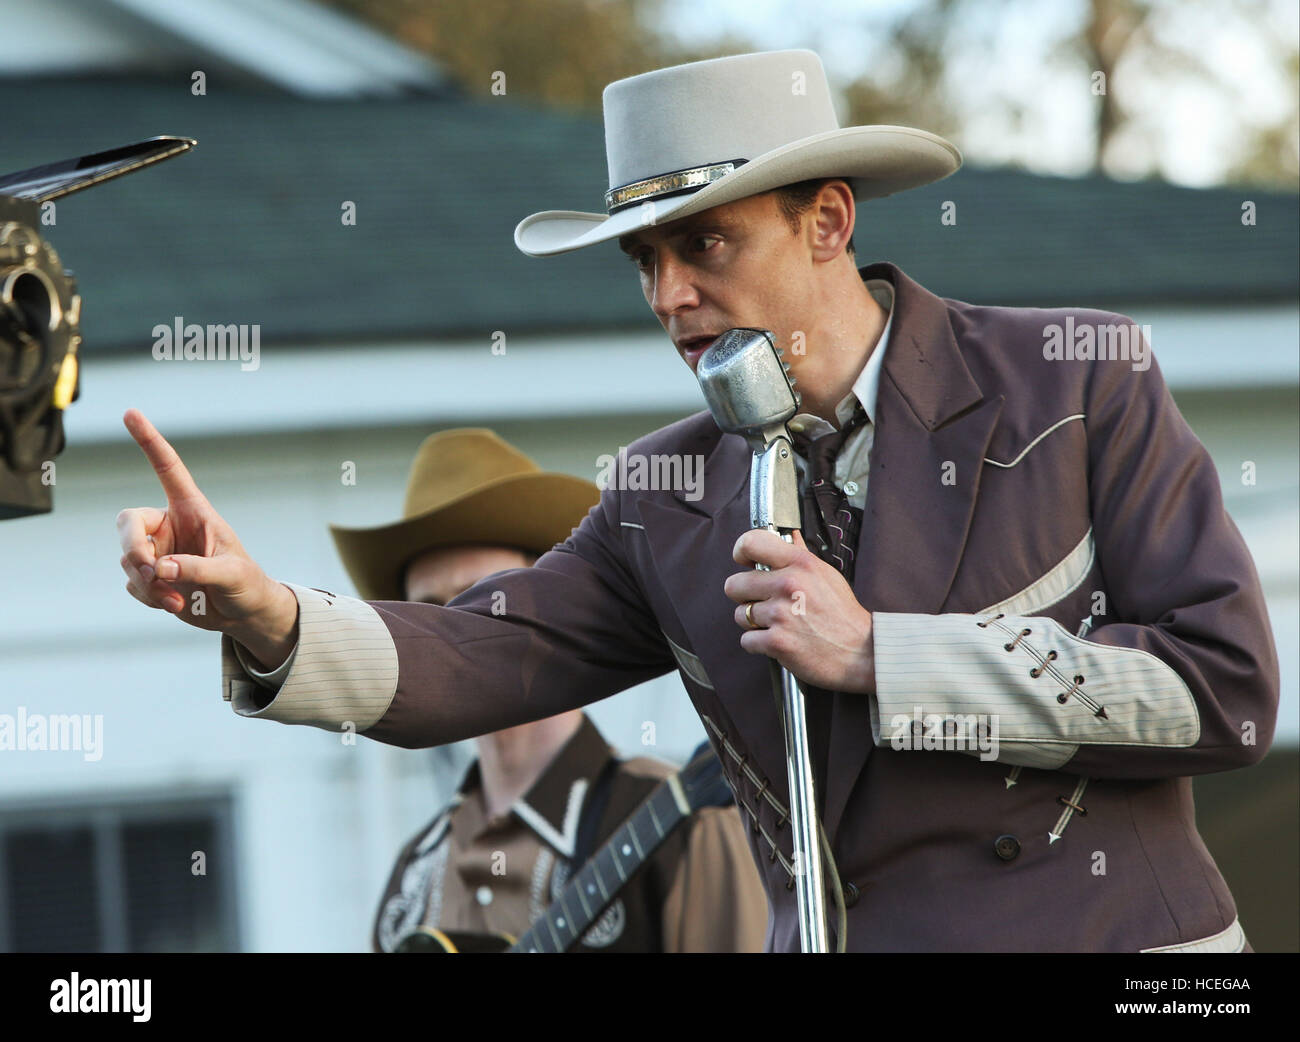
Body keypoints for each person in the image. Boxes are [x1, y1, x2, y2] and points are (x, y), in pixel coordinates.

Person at [116, 50, 1279, 953]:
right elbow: (469, 651)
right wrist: (263, 609)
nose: (672, 295)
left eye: (705, 242)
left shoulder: (1073, 378)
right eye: (645, 261)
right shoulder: (658, 496)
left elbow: (1225, 691)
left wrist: (886, 654)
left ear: (827, 220)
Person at [328, 427, 768, 952]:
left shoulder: (684, 822)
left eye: (486, 600)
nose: (458, 630)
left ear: (553, 602)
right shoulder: (413, 875)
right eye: (433, 611)